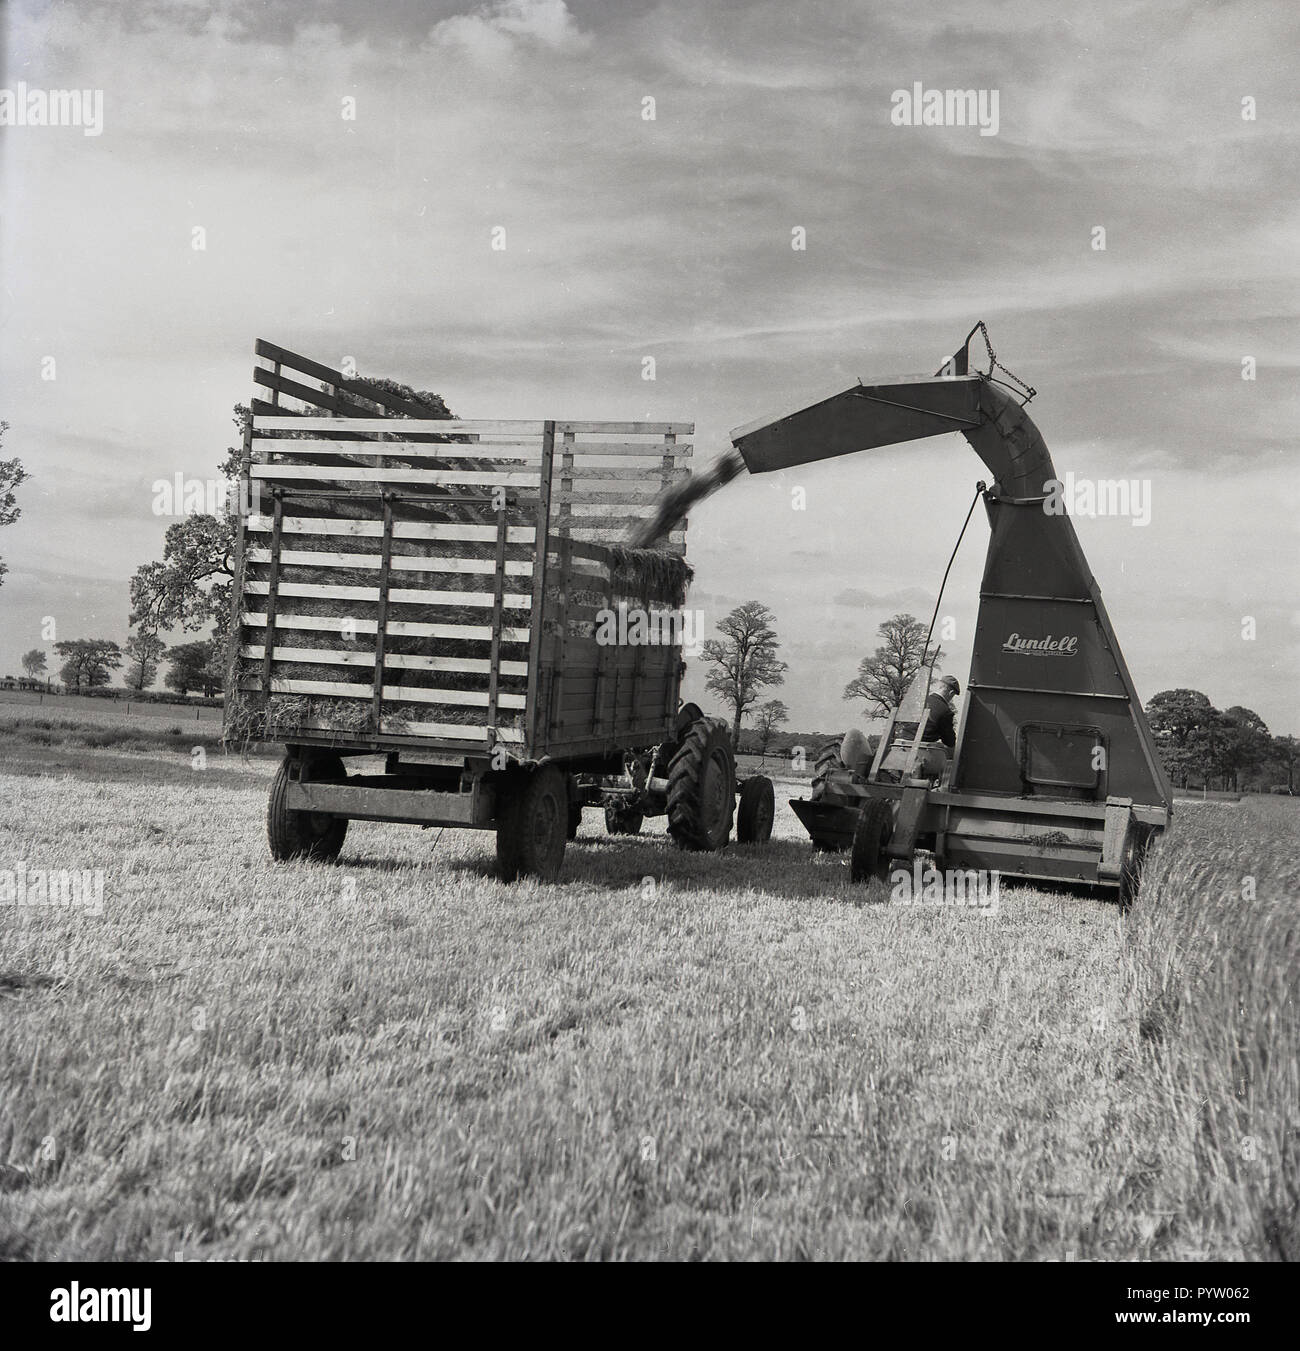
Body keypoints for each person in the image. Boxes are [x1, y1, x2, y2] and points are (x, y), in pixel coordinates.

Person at [924, 675, 960, 749]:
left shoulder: (920, 701)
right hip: (924, 750)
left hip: (900, 745)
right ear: (951, 693)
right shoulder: (945, 711)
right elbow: (950, 742)